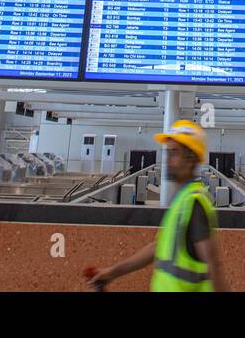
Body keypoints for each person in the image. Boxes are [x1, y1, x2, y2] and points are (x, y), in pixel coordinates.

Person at [88, 120, 227, 291]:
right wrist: (111, 273)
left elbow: (214, 266)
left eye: (174, 153)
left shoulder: (195, 203)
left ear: (191, 159)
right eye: (167, 153)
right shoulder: (182, 199)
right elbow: (158, 247)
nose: (168, 159)